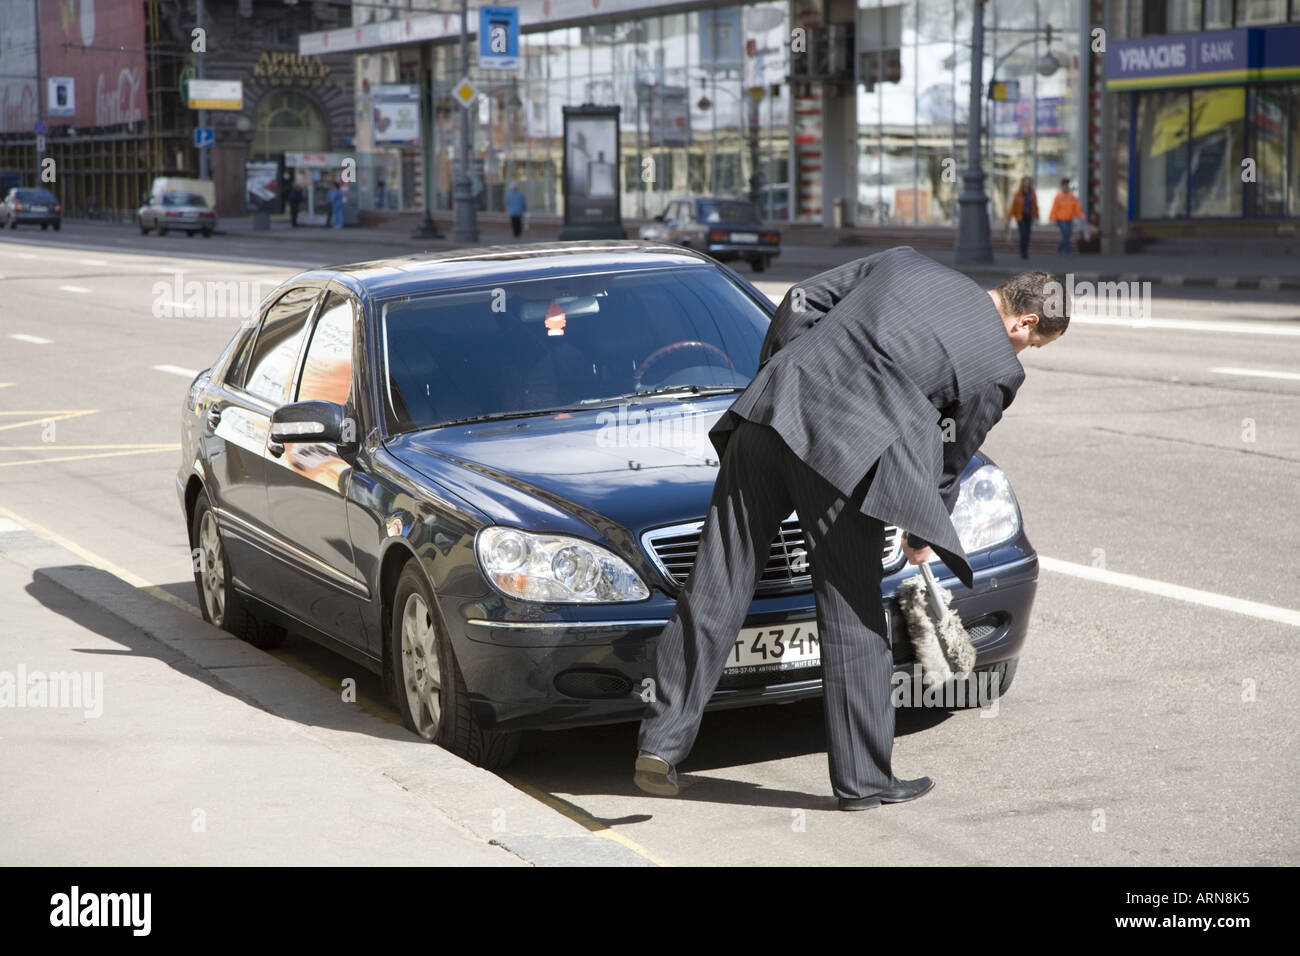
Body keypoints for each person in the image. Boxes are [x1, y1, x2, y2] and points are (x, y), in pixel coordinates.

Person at [632, 249, 1068, 810]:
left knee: (716, 583)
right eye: (1030, 342)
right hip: (847, 457)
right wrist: (921, 527)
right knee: (852, 611)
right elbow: (951, 451)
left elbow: (799, 300)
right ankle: (864, 781)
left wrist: (789, 377)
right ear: (1025, 321)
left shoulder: (910, 264)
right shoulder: (998, 366)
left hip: (769, 416)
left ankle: (662, 746)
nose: (1022, 351)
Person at [1006, 176, 1038, 260]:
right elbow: (1013, 206)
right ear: (1023, 183)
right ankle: (1022, 252)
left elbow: (1035, 205)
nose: (1027, 183)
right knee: (1023, 234)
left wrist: (1036, 215)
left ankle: (1025, 251)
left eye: (1028, 182)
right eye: (1025, 182)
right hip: (1020, 217)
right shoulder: (1018, 194)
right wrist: (1009, 217)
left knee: (1027, 235)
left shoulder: (1032, 193)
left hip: (1029, 216)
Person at [1050, 178, 1083, 256]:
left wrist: (1080, 215)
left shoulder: (1072, 197)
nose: (1066, 187)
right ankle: (1067, 251)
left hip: (1069, 219)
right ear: (1062, 186)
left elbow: (1077, 207)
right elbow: (1054, 208)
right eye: (1064, 185)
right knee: (1066, 234)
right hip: (1060, 219)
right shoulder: (1058, 197)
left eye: (1067, 185)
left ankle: (1059, 249)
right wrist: (1053, 218)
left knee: (1067, 235)